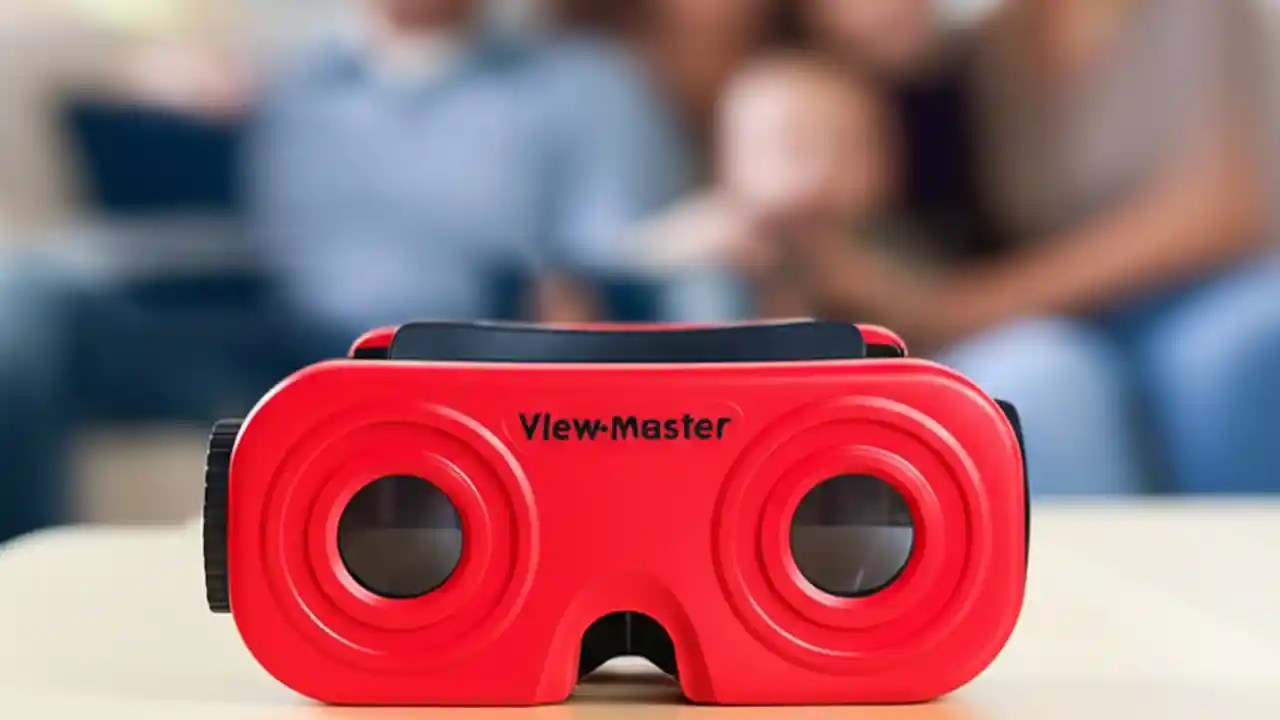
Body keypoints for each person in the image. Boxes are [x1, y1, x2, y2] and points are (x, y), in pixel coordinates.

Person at [765, 0, 1280, 494]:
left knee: (1230, 355)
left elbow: (1221, 209)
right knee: (1044, 379)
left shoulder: (1197, 12)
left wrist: (967, 305)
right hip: (1054, 317)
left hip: (1193, 295)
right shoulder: (978, 50)